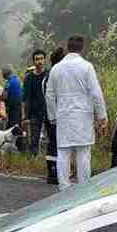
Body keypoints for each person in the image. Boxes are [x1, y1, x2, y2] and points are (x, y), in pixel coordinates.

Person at [45, 35, 108, 189]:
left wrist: (53, 116)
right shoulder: (87, 67)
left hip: (63, 116)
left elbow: (49, 95)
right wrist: (102, 116)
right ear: (82, 48)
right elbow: (96, 93)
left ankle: (64, 187)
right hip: (82, 116)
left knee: (63, 152)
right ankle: (84, 187)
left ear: (68, 47)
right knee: (83, 153)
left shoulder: (56, 68)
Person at [42, 47, 66, 183]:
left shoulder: (49, 74)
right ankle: (54, 173)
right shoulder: (55, 74)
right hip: (55, 115)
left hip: (50, 114)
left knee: (53, 143)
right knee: (56, 143)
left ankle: (52, 172)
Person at [22, 49, 49, 156]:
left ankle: (48, 158)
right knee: (34, 137)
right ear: (33, 61)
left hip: (48, 111)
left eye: (42, 59)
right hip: (34, 113)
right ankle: (33, 157)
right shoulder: (29, 78)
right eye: (37, 59)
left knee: (50, 138)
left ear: (45, 60)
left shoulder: (49, 75)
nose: (40, 61)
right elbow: (25, 98)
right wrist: (25, 116)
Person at [0, 66, 23, 133]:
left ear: (5, 74)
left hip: (13, 108)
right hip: (19, 106)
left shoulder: (9, 82)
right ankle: (19, 142)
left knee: (12, 127)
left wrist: (0, 98)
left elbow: (4, 96)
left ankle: (14, 143)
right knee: (18, 125)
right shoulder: (17, 79)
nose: (2, 75)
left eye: (2, 73)